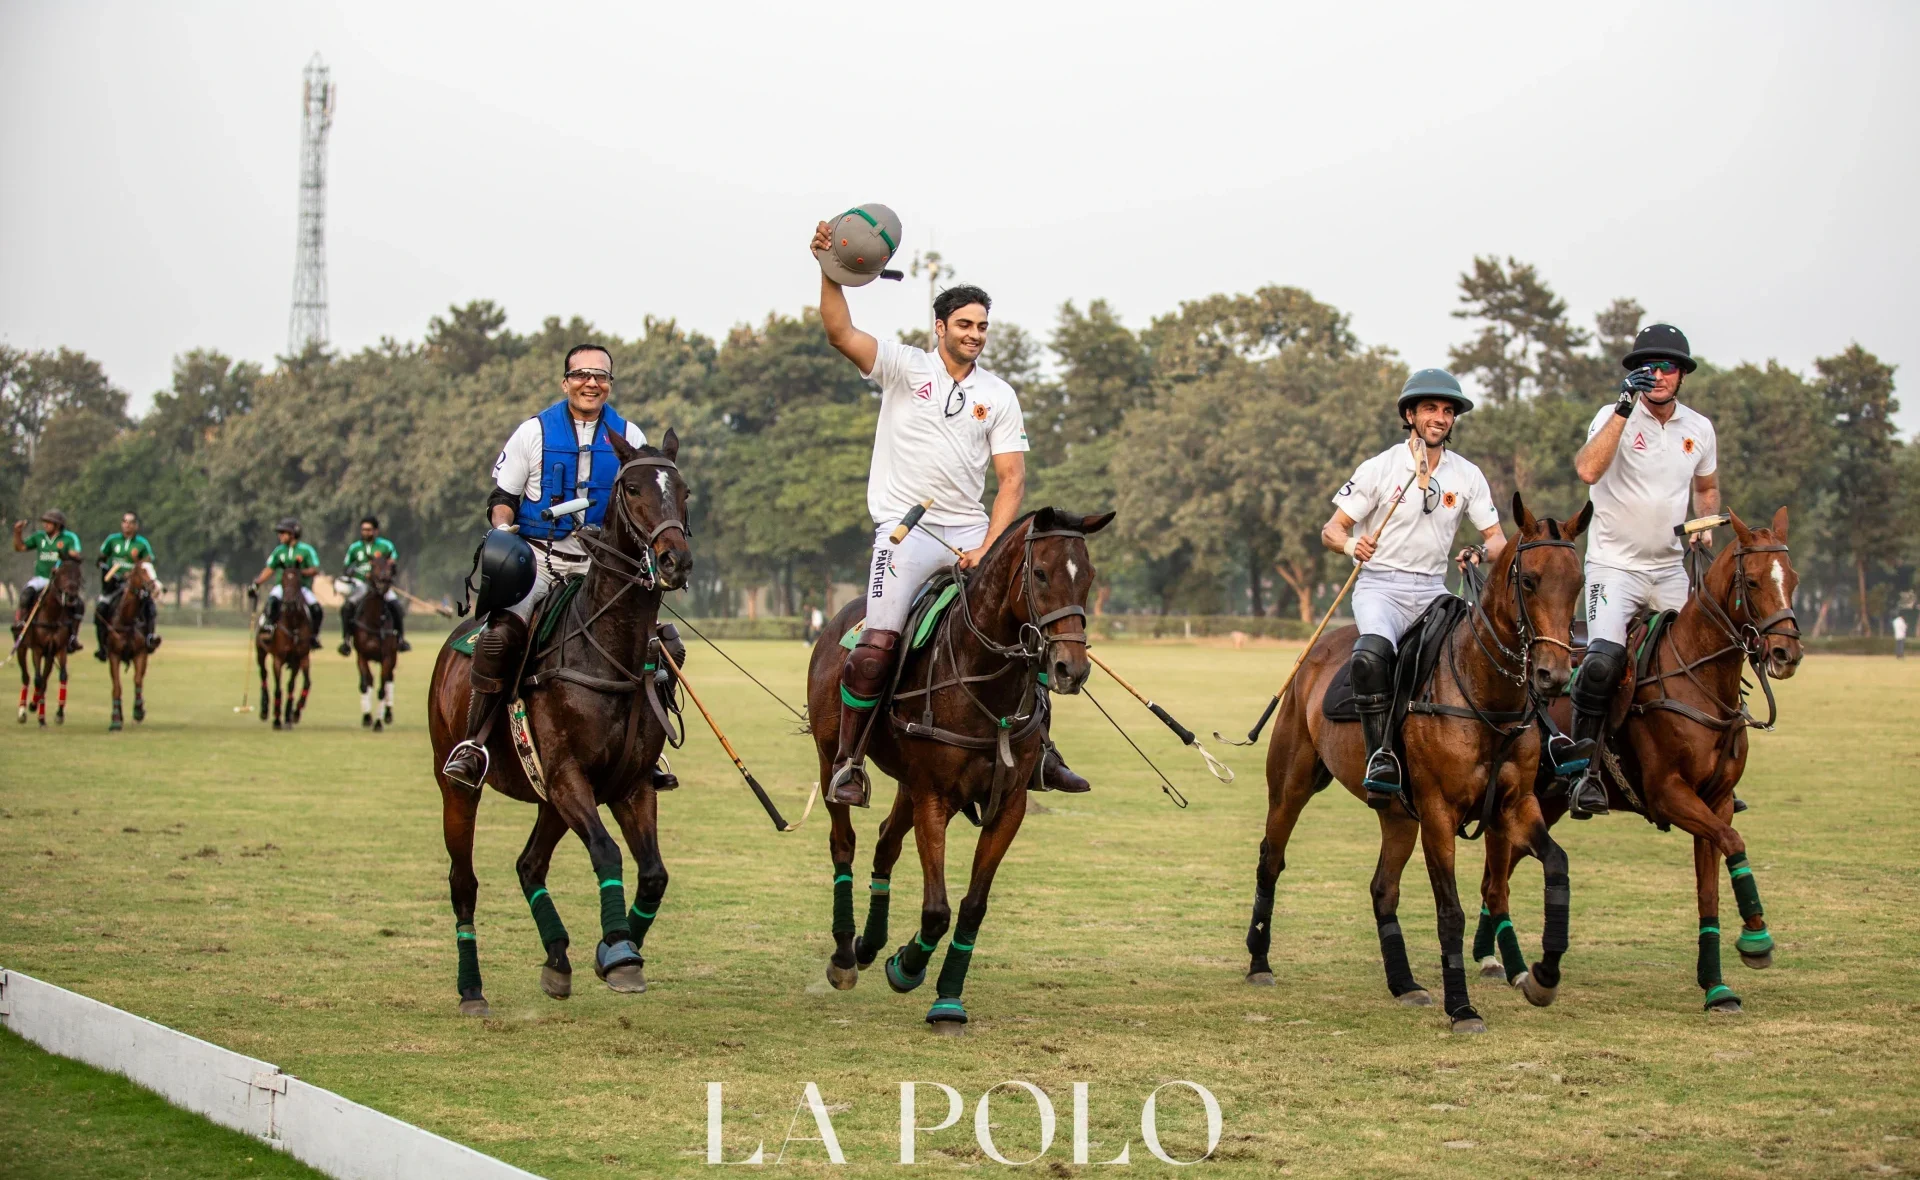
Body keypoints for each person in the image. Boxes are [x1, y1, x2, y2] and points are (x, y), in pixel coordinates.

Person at [811, 214, 1088, 807]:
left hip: (970, 531)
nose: (975, 334)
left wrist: (989, 547)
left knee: (1031, 627)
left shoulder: (999, 395)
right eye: (964, 324)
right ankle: (849, 761)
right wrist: (829, 273)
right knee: (878, 644)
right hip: (905, 531)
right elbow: (840, 332)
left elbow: (1011, 479)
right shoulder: (903, 366)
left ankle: (1043, 753)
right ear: (939, 327)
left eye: (982, 326)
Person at [441, 345, 679, 794]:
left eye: (601, 376)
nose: (592, 383)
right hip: (538, 564)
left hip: (602, 572)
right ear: (565, 381)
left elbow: (646, 500)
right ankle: (476, 744)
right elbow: (502, 499)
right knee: (499, 638)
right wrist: (504, 530)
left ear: (610, 383)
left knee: (663, 646)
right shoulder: (533, 432)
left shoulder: (628, 432)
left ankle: (645, 753)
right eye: (582, 374)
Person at [1321, 369, 1504, 810]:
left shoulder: (1467, 475)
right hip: (1381, 586)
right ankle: (1381, 753)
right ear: (1410, 415)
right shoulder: (1381, 468)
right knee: (1370, 655)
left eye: (1447, 411)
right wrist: (1351, 544)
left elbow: (1498, 539)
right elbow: (1332, 529)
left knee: (1484, 650)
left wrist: (1477, 552)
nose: (1440, 417)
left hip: (1433, 591)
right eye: (1430, 409)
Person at [1563, 323, 1719, 819]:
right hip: (1615, 567)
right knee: (1603, 661)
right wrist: (1624, 410)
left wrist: (1705, 522)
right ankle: (1582, 769)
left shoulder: (1699, 429)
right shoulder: (1612, 416)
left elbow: (1708, 488)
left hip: (1670, 568)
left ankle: (1712, 771)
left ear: (1681, 375)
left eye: (1667, 367)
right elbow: (1588, 470)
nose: (1658, 375)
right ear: (1634, 373)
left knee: (1709, 657)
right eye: (1647, 367)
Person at [11, 510, 86, 652]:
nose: (45, 525)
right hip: (41, 578)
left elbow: (75, 555)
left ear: (58, 525)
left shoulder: (69, 538)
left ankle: (72, 637)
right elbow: (19, 547)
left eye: (48, 522)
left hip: (60, 582)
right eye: (44, 522)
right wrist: (17, 533)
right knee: (26, 594)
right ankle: (20, 624)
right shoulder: (39, 537)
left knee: (78, 604)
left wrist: (67, 556)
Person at [337, 516, 410, 655]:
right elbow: (346, 567)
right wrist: (351, 570)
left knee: (396, 606)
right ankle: (346, 640)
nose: (366, 532)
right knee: (347, 607)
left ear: (376, 531)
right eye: (363, 530)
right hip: (361, 584)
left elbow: (393, 562)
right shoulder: (355, 548)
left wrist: (382, 574)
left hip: (381, 585)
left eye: (369, 530)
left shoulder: (385, 545)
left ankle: (400, 639)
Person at [95, 511, 162, 658]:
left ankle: (150, 637)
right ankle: (102, 646)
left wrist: (135, 567)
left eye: (131, 522)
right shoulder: (112, 540)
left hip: (135, 585)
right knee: (100, 608)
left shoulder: (142, 543)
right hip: (114, 584)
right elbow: (101, 558)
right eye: (125, 521)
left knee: (150, 606)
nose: (127, 525)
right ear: (121, 524)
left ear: (136, 526)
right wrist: (102, 565)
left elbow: (148, 561)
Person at [251, 519, 325, 649]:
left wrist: (299, 572)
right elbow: (269, 569)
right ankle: (268, 628)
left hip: (302, 587)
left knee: (316, 609)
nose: (280, 536)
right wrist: (257, 583)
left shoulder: (306, 550)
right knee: (272, 601)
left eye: (283, 533)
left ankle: (314, 635)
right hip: (282, 586)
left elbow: (315, 569)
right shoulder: (279, 551)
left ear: (293, 534)